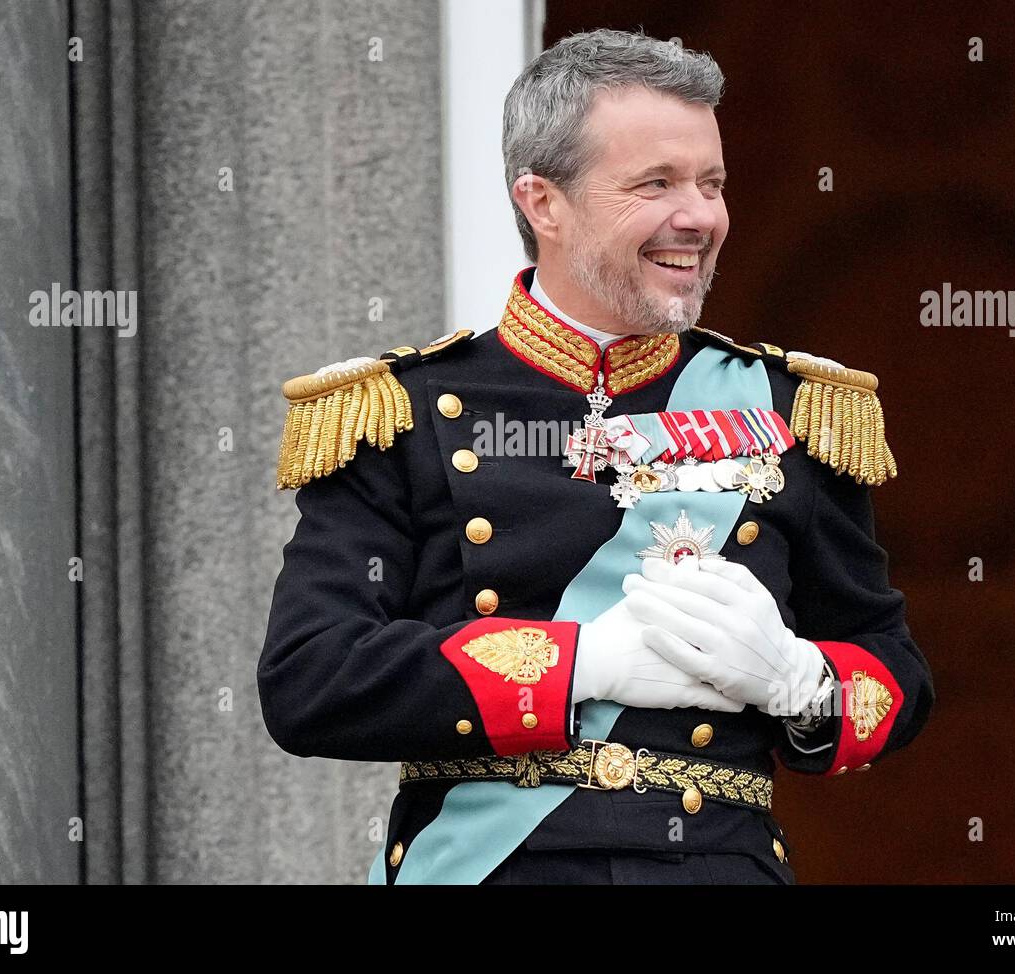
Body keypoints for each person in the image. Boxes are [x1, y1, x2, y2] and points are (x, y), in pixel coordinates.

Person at [257, 28, 934, 885]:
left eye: (712, 183)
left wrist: (804, 684)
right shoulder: (402, 413)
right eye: (656, 184)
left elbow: (895, 671)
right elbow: (311, 680)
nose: (700, 216)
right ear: (543, 201)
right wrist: (582, 663)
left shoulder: (796, 410)